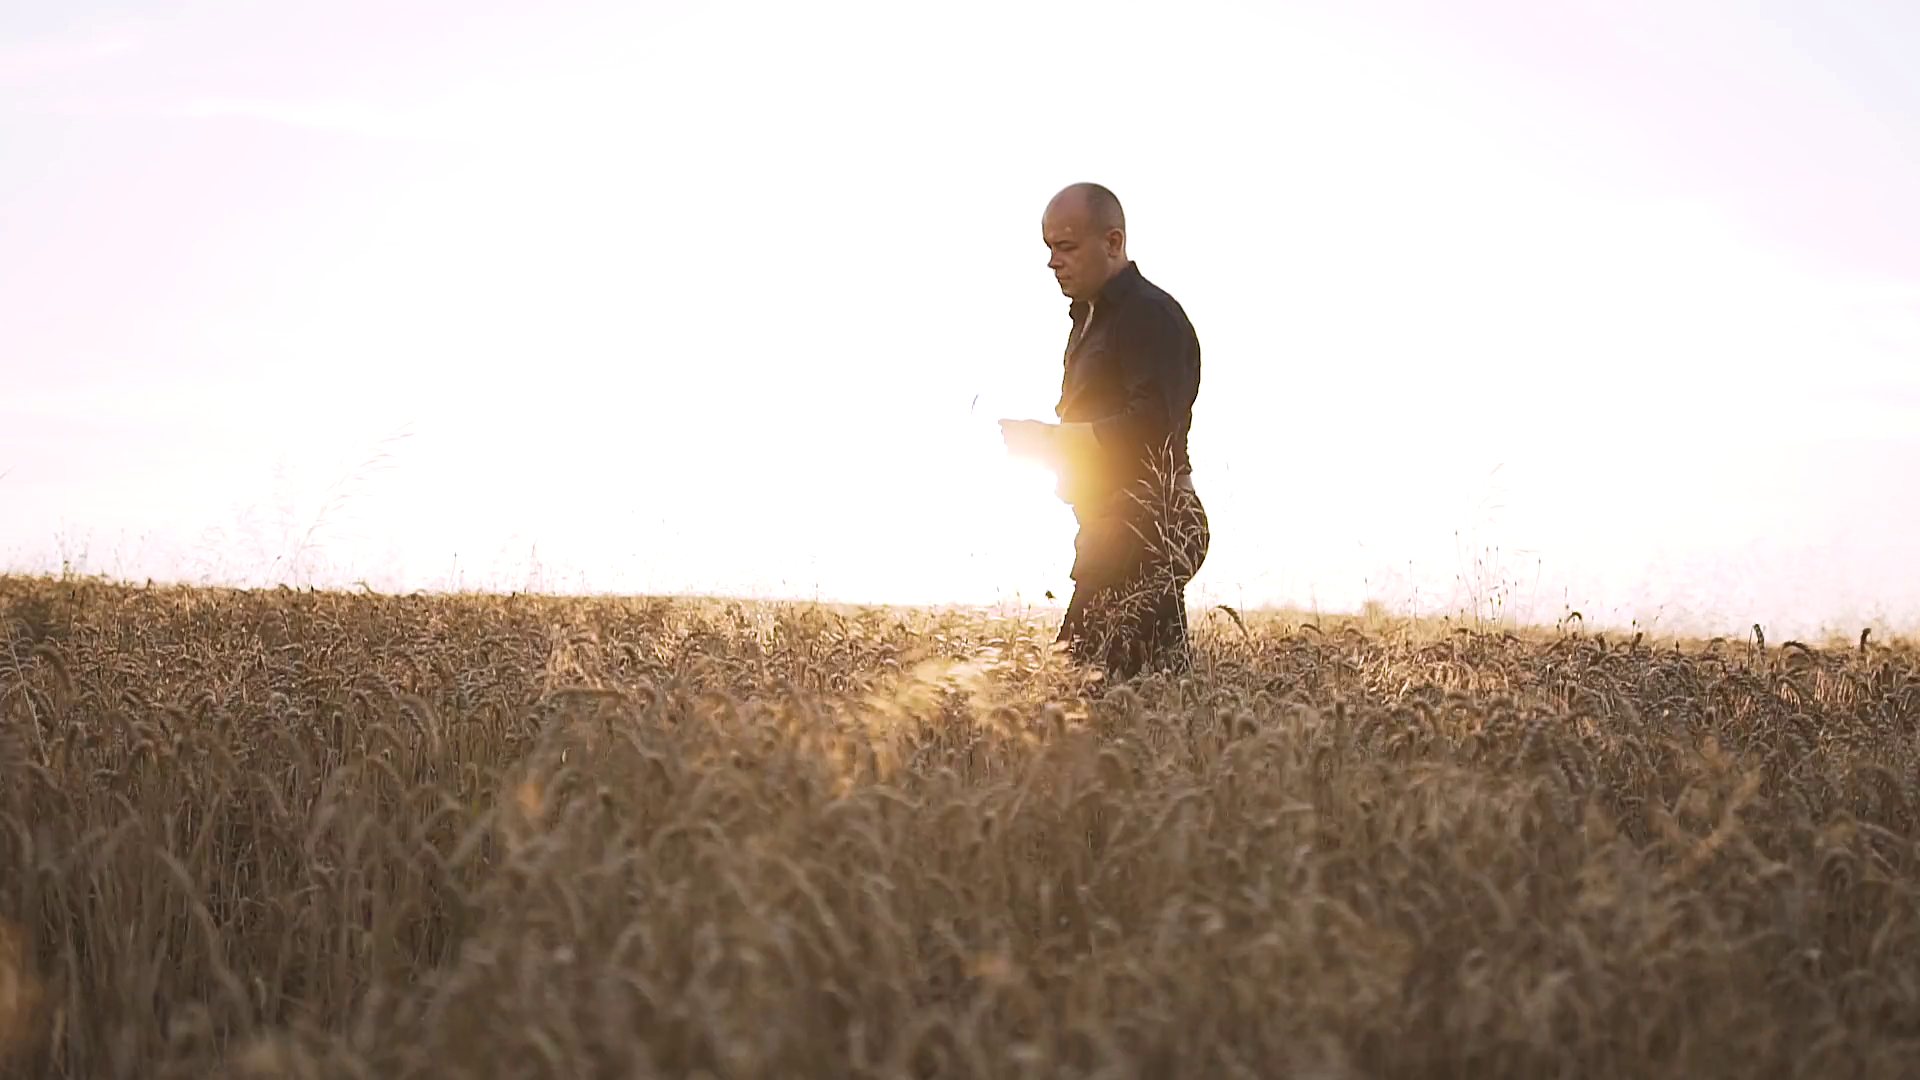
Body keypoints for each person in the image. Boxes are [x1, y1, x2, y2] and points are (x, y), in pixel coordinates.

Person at [1001, 182, 1210, 680]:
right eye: (1048, 248)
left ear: (1113, 243)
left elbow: (1150, 422)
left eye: (1067, 246)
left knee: (1078, 676)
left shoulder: (1150, 315)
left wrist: (1051, 439)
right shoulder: (1087, 322)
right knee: (1154, 690)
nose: (1054, 261)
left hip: (1150, 524)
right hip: (1111, 528)